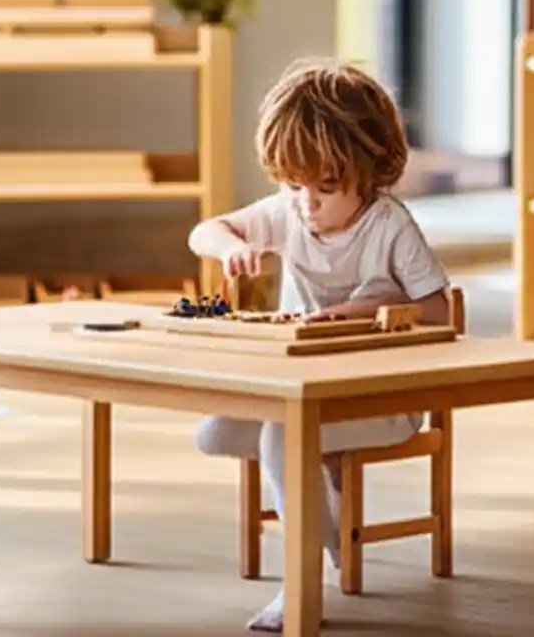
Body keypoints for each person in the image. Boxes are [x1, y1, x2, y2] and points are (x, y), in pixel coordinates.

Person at [187, 59, 452, 632]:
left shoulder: (388, 226)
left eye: (326, 188)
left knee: (284, 434)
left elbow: (440, 311)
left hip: (384, 400)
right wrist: (228, 247)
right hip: (305, 390)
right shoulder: (289, 214)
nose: (307, 203)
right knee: (214, 432)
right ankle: (326, 514)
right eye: (293, 185)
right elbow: (204, 231)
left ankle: (300, 586)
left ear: (369, 171)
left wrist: (359, 311)